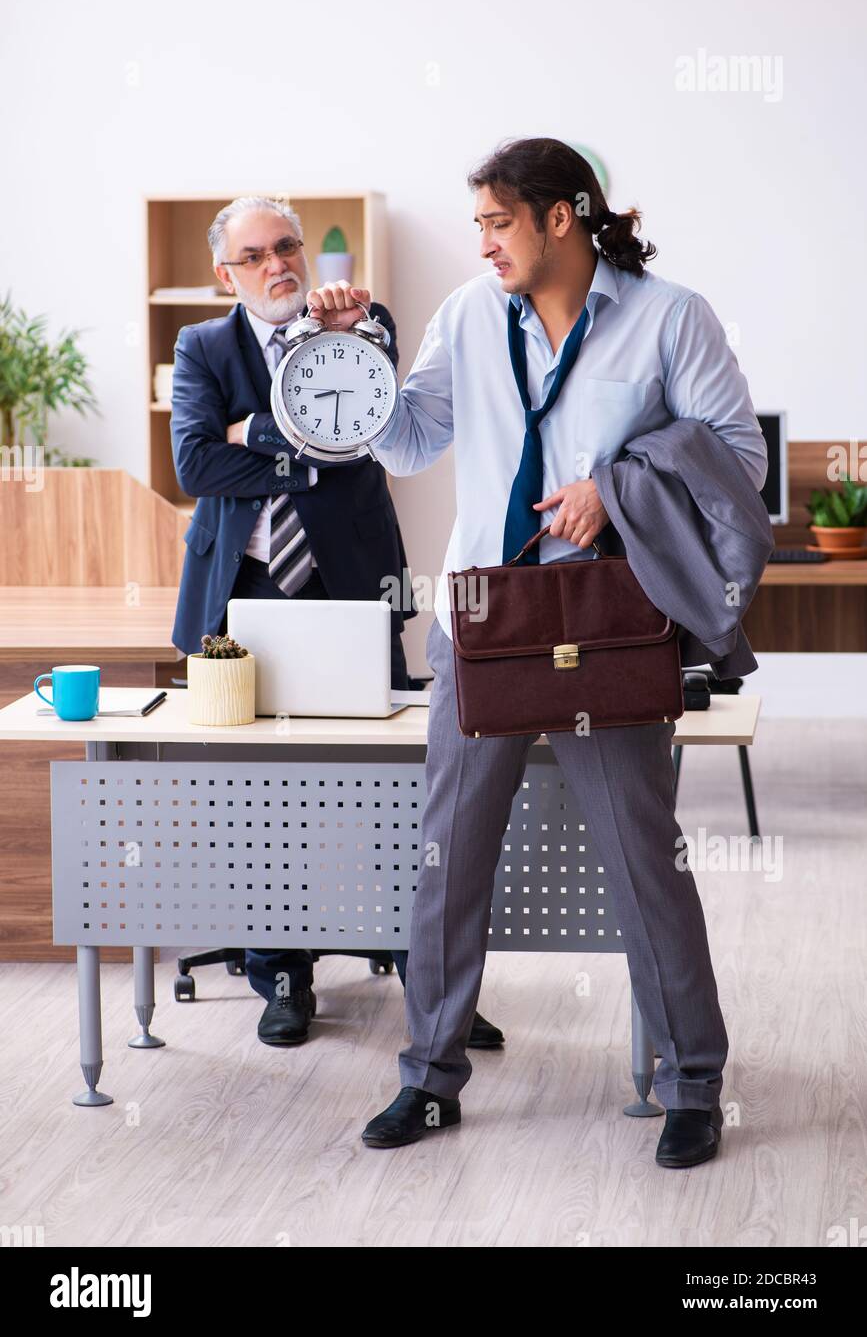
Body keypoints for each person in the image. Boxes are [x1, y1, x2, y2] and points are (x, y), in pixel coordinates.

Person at [305, 138, 767, 1167]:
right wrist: (353, 357)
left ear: (562, 216)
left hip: (606, 618)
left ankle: (692, 1082)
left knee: (644, 861)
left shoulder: (668, 317)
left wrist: (621, 482)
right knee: (446, 861)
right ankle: (429, 1077)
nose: (483, 245)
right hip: (481, 613)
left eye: (498, 223)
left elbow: (741, 460)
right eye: (477, 225)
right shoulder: (470, 316)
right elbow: (413, 438)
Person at [170, 195, 504, 1053]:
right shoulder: (203, 347)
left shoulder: (361, 321)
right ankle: (280, 972)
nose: (280, 263)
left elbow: (367, 433)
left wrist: (261, 428)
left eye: (288, 246)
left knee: (391, 786)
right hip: (243, 593)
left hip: (352, 583)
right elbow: (196, 462)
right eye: (256, 255)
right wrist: (301, 440)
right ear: (227, 273)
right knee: (256, 796)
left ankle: (423, 974)